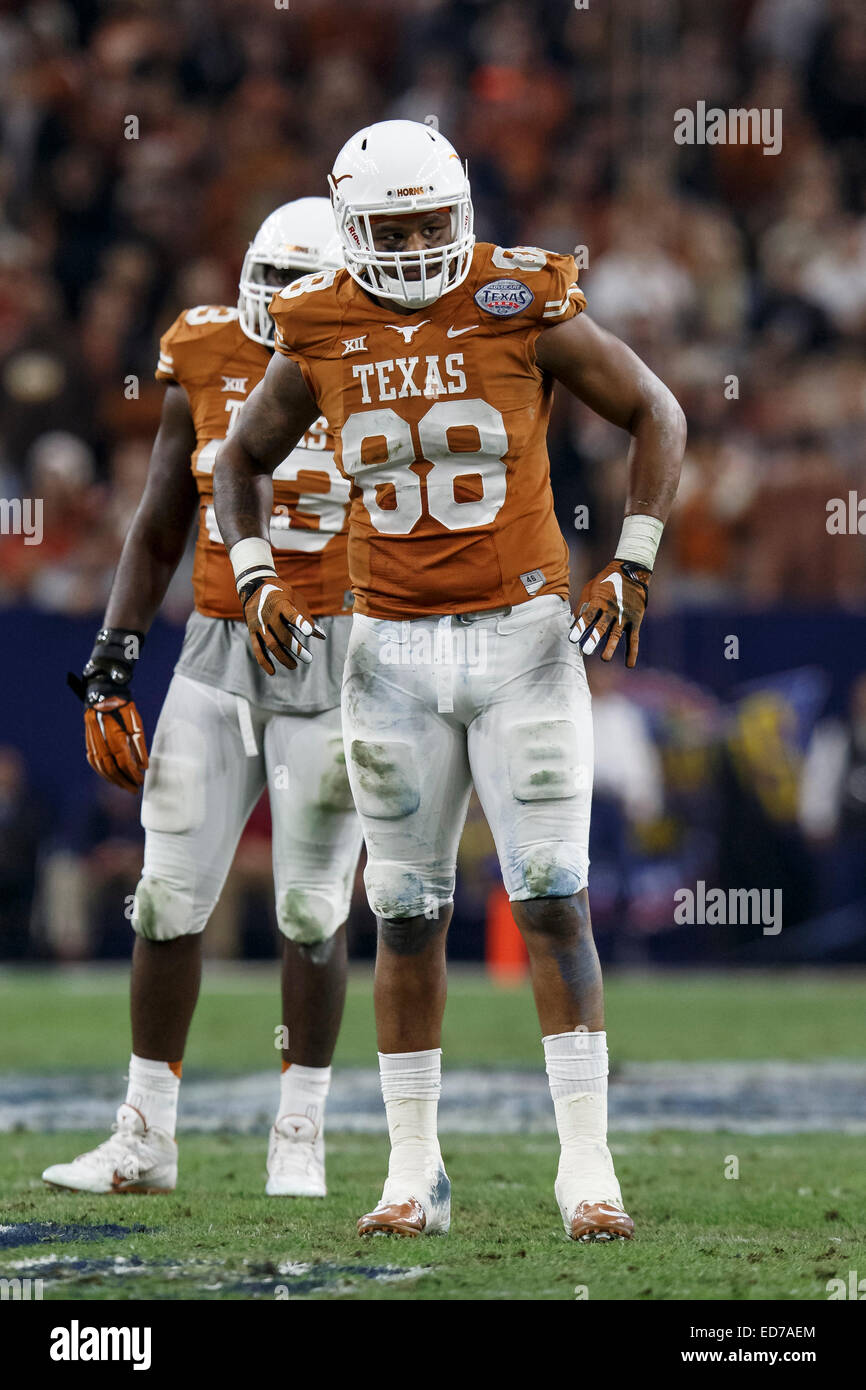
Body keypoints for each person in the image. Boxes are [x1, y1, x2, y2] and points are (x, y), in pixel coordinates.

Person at [213, 121, 686, 1241]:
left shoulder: (517, 296)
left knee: (553, 899)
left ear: (461, 209)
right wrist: (255, 572)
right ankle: (412, 1167)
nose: (422, 242)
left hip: (523, 638)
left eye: (435, 218)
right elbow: (238, 457)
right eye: (396, 226)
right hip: (388, 652)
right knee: (407, 914)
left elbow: (656, 410)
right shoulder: (319, 318)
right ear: (351, 230)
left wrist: (633, 557)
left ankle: (586, 1166)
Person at [44, 199, 362, 1198]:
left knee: (312, 908)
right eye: (263, 280)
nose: (272, 304)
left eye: (295, 287)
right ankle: (144, 1133)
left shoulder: (382, 356)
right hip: (219, 651)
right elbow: (156, 525)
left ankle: (300, 1131)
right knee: (167, 895)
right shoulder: (204, 348)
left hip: (337, 655)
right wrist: (113, 658)